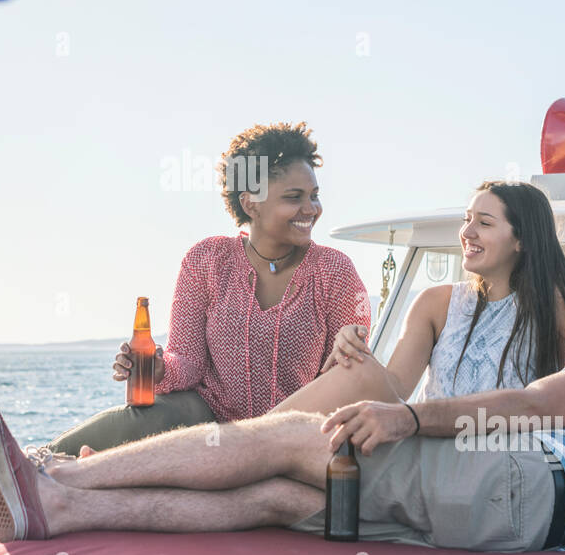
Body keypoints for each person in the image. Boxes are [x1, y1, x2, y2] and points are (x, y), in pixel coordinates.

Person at [0, 256, 565, 552]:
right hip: (524, 523)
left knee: (295, 435)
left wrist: (408, 416)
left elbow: (533, 405)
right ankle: (65, 509)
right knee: (280, 493)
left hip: (512, 482)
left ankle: (60, 482)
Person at [41, 122, 370, 457]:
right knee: (159, 411)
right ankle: (37, 460)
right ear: (250, 203)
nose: (311, 209)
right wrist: (160, 370)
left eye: (314, 196)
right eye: (294, 197)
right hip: (210, 424)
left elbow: (345, 374)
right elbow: (187, 359)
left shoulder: (334, 271)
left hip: (294, 436)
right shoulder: (207, 260)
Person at [265, 180, 565, 417]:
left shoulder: (554, 303)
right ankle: (252, 439)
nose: (467, 232)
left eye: (484, 223)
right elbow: (396, 388)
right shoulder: (436, 303)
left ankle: (244, 443)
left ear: (522, 240)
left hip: (498, 459)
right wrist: (352, 345)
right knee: (355, 367)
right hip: (426, 446)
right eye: (467, 219)